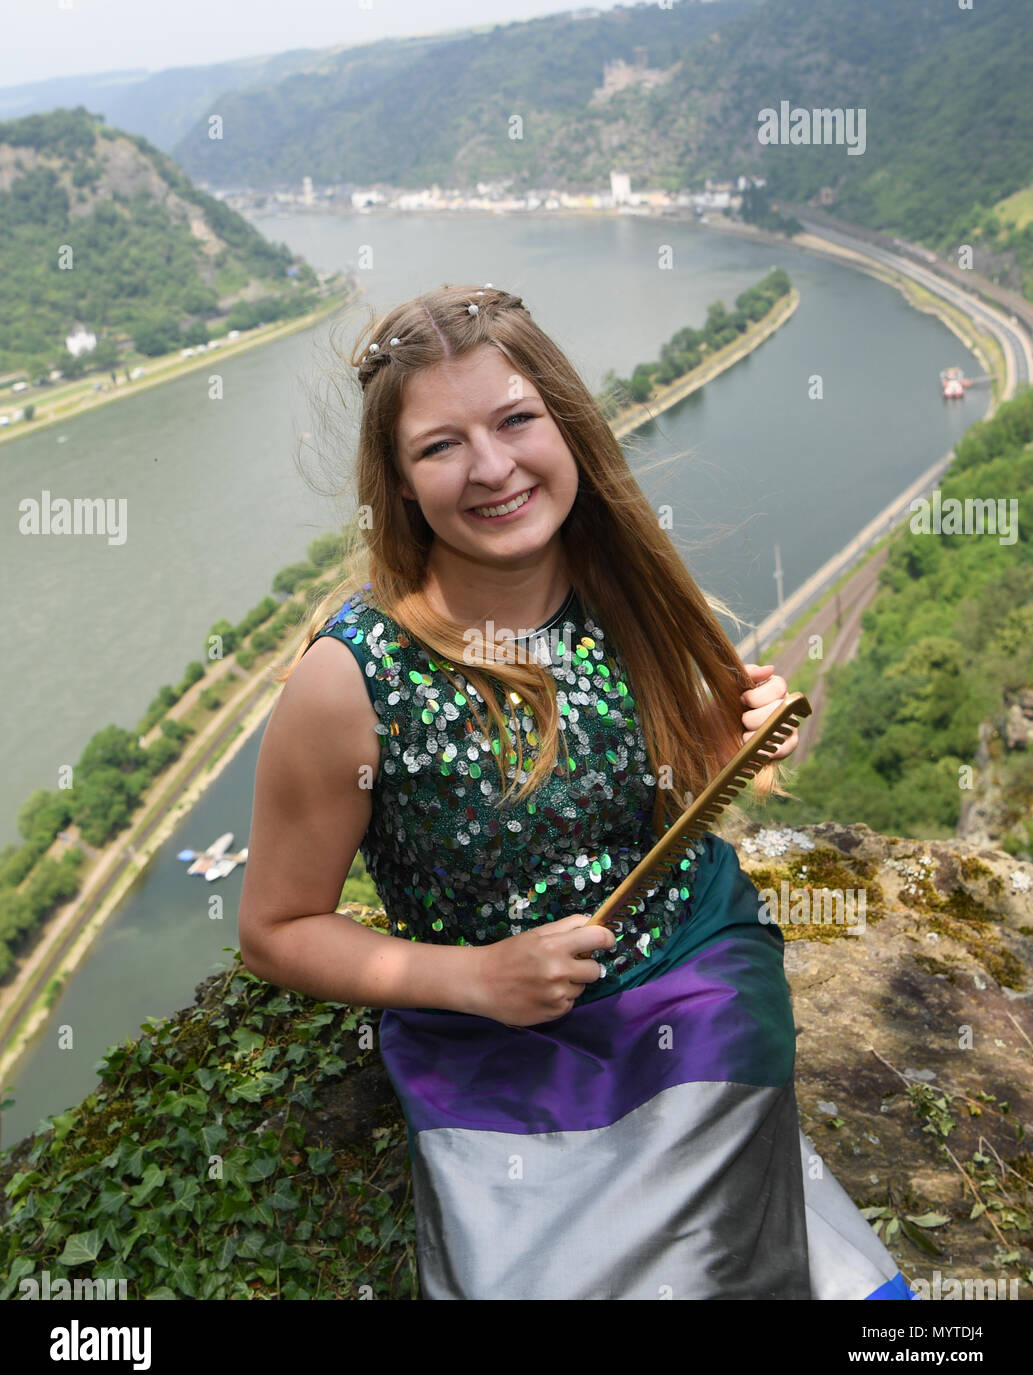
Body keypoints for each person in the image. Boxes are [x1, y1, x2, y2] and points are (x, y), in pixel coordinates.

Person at [238, 283, 915, 1301]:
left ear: (568, 425)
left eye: (516, 419)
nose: (493, 466)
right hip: (491, 1041)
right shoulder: (350, 680)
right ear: (400, 485)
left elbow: (638, 794)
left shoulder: (620, 590)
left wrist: (731, 742)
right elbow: (274, 928)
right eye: (441, 446)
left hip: (693, 981)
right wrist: (474, 980)